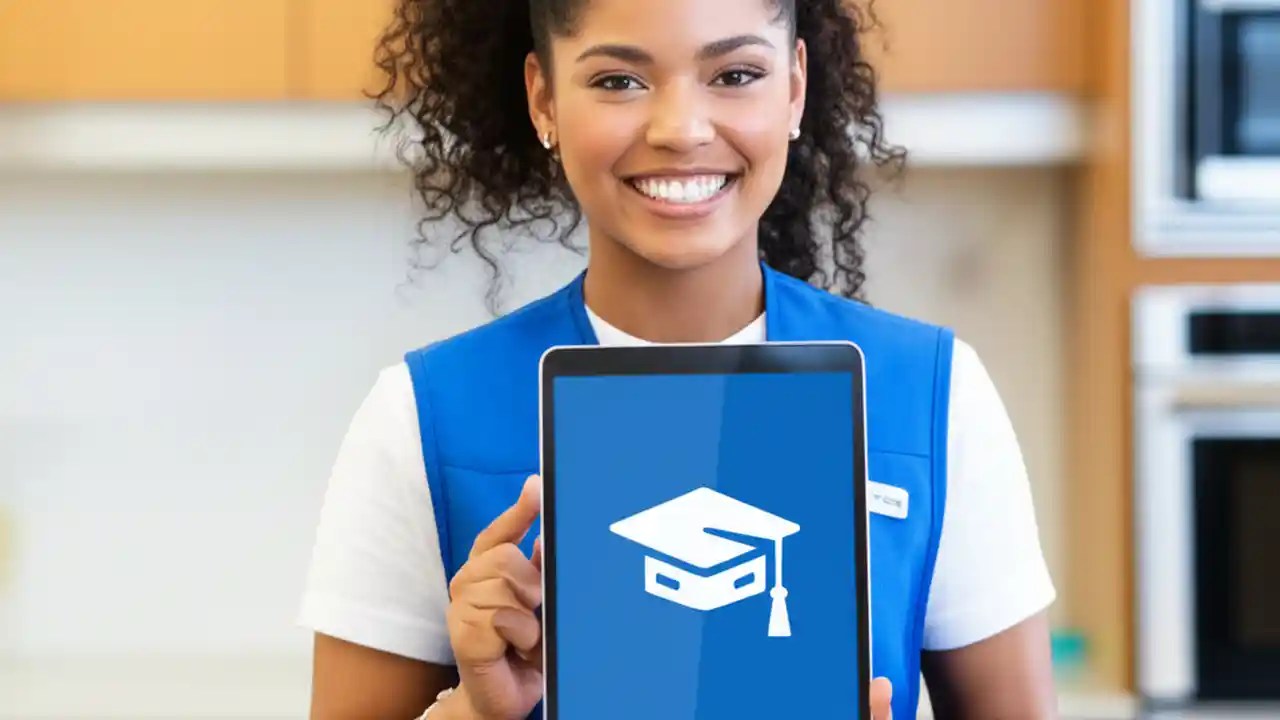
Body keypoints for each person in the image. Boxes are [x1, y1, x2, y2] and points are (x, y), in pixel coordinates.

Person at [299, 0, 1060, 717]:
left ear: (793, 89)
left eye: (734, 76)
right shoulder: (422, 419)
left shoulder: (933, 395)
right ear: (544, 100)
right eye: (618, 80)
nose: (681, 127)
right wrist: (476, 710)